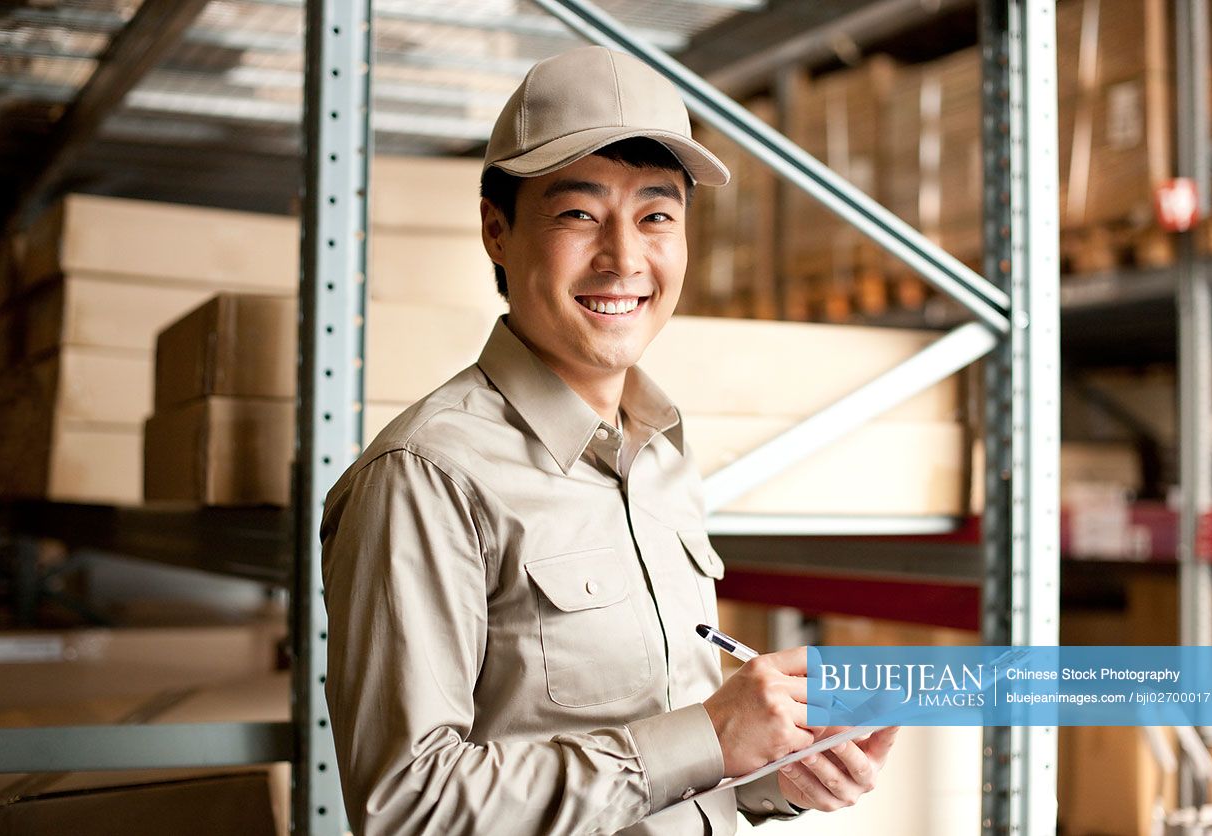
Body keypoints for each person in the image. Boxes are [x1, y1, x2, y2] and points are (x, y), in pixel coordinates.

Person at [320, 44, 897, 836]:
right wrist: (708, 735)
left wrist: (775, 772)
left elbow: (668, 766)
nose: (624, 258)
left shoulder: (659, 456)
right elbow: (407, 806)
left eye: (656, 216)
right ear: (496, 231)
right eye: (578, 214)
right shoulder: (426, 475)